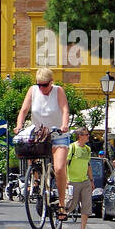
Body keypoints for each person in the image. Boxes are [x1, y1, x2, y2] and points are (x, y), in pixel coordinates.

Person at [15, 66, 72, 220]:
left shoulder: (58, 91)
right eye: (39, 84)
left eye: (45, 85)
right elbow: (24, 110)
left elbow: (65, 109)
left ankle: (61, 205)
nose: (42, 88)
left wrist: (64, 125)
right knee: (27, 147)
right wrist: (19, 125)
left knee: (59, 168)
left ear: (51, 82)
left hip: (57, 133)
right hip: (40, 133)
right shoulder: (33, 90)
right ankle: (36, 179)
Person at [66, 127, 94, 229]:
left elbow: (88, 165)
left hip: (85, 181)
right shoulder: (72, 148)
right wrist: (66, 179)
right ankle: (60, 215)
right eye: (86, 134)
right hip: (73, 181)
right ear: (80, 136)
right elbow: (65, 164)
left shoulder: (87, 149)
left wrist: (91, 180)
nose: (88, 136)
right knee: (71, 204)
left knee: (86, 205)